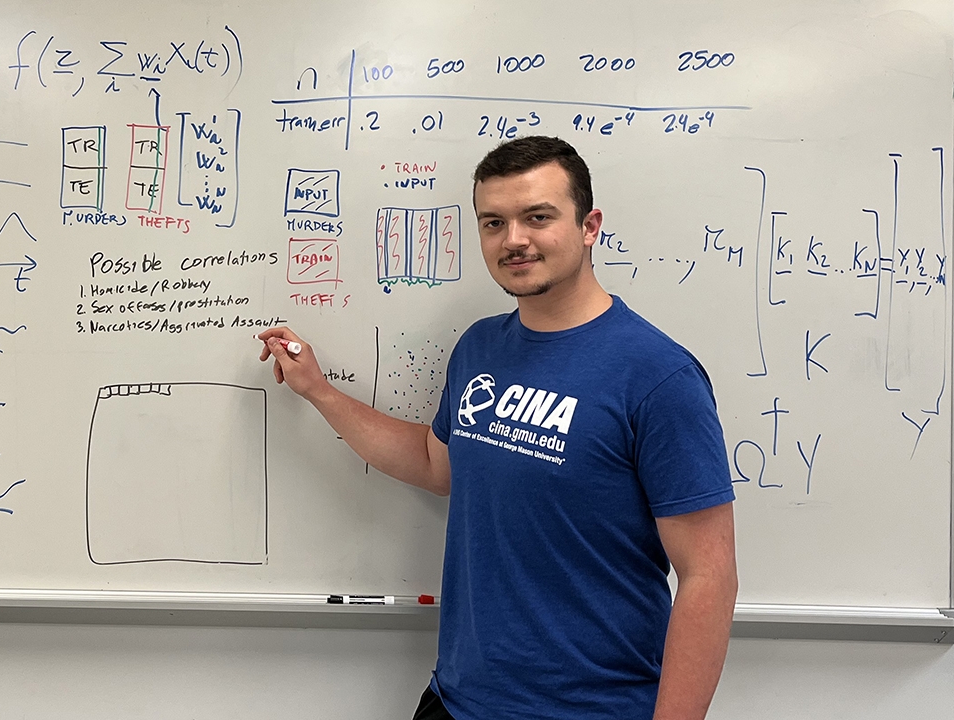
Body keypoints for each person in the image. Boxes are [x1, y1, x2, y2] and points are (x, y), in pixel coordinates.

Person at [258, 136, 737, 720]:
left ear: (589, 226)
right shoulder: (480, 346)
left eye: (538, 217)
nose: (514, 239)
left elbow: (709, 577)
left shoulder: (658, 377)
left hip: (592, 709)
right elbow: (435, 463)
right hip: (458, 700)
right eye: (494, 222)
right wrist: (320, 391)